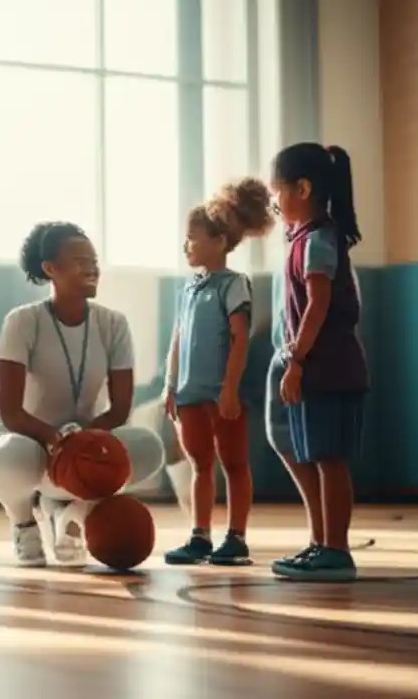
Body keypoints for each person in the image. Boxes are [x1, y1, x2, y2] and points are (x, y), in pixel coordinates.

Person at [0, 222, 165, 568]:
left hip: (84, 439)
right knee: (12, 457)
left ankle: (73, 510)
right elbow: (12, 412)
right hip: (22, 437)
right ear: (51, 269)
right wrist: (54, 437)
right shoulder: (22, 321)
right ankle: (23, 522)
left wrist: (83, 441)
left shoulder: (113, 324)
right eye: (79, 260)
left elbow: (120, 408)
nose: (92, 267)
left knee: (149, 447)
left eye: (93, 259)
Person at [270, 143, 369, 582]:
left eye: (279, 191)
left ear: (303, 188)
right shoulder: (303, 238)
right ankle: (321, 543)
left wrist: (296, 360)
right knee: (317, 455)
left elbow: (318, 303)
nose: (275, 201)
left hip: (329, 367)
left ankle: (337, 549)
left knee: (330, 459)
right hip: (319, 367)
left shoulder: (319, 240)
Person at [163, 180, 273, 565]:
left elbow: (239, 339)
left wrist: (229, 389)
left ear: (219, 240)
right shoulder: (187, 291)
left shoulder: (234, 285)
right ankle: (200, 535)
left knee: (235, 464)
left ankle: (237, 537)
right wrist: (170, 385)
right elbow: (177, 340)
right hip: (190, 394)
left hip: (221, 395)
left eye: (192, 238)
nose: (186, 246)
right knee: (200, 465)